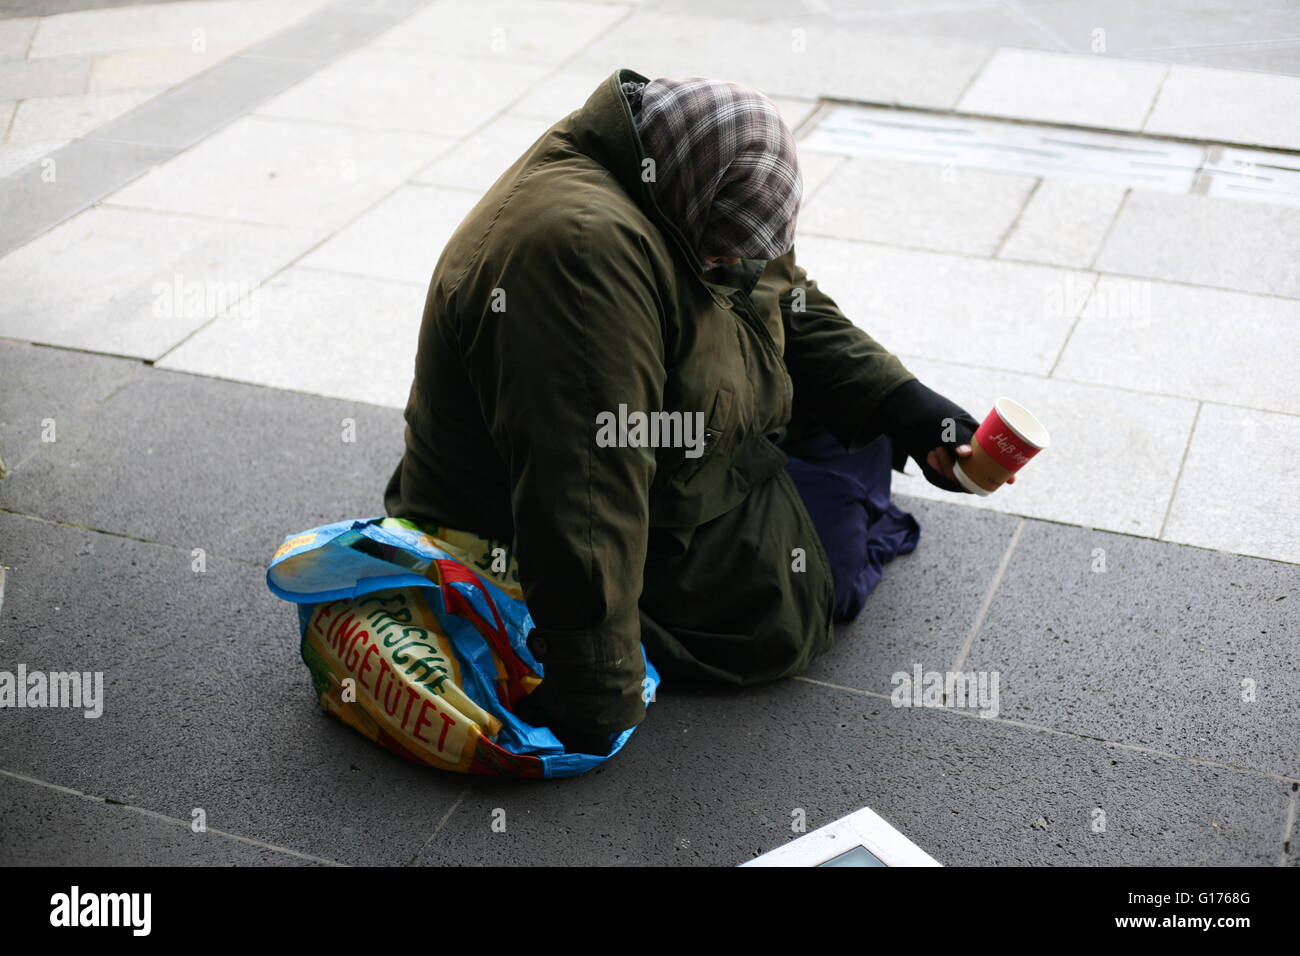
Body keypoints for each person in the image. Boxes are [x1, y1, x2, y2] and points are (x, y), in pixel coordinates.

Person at [384, 68, 992, 757]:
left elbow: (781, 296)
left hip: (666, 432)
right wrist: (594, 695)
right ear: (687, 197)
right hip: (536, 521)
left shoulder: (678, 160)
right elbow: (584, 492)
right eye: (722, 253)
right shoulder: (581, 258)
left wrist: (905, 403)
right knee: (790, 605)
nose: (739, 264)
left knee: (859, 421)